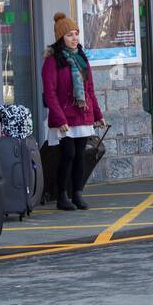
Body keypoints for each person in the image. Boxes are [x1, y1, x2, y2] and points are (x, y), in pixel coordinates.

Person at [41, 13, 104, 211]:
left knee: (80, 155)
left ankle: (77, 193)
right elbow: (50, 94)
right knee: (67, 154)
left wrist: (98, 115)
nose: (74, 38)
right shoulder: (52, 61)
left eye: (76, 33)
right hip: (65, 117)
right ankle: (62, 195)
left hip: (82, 115)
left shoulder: (82, 58)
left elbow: (89, 90)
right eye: (69, 34)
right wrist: (59, 119)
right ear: (61, 38)